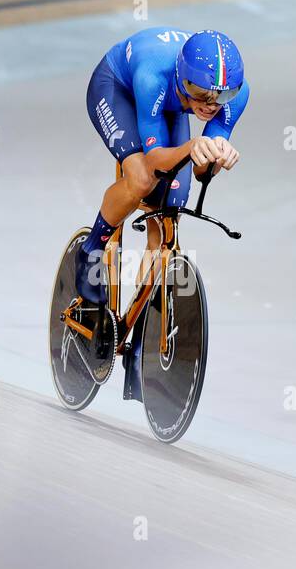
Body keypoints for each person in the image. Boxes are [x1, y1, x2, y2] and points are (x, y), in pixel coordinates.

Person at [77, 28, 249, 399]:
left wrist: (216, 155)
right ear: (182, 77)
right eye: (202, 94)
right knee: (140, 178)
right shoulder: (153, 74)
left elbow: (202, 170)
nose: (211, 105)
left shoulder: (231, 96)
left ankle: (142, 333)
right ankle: (92, 247)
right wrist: (192, 145)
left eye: (223, 95)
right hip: (118, 87)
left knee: (171, 205)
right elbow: (155, 162)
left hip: (172, 103)